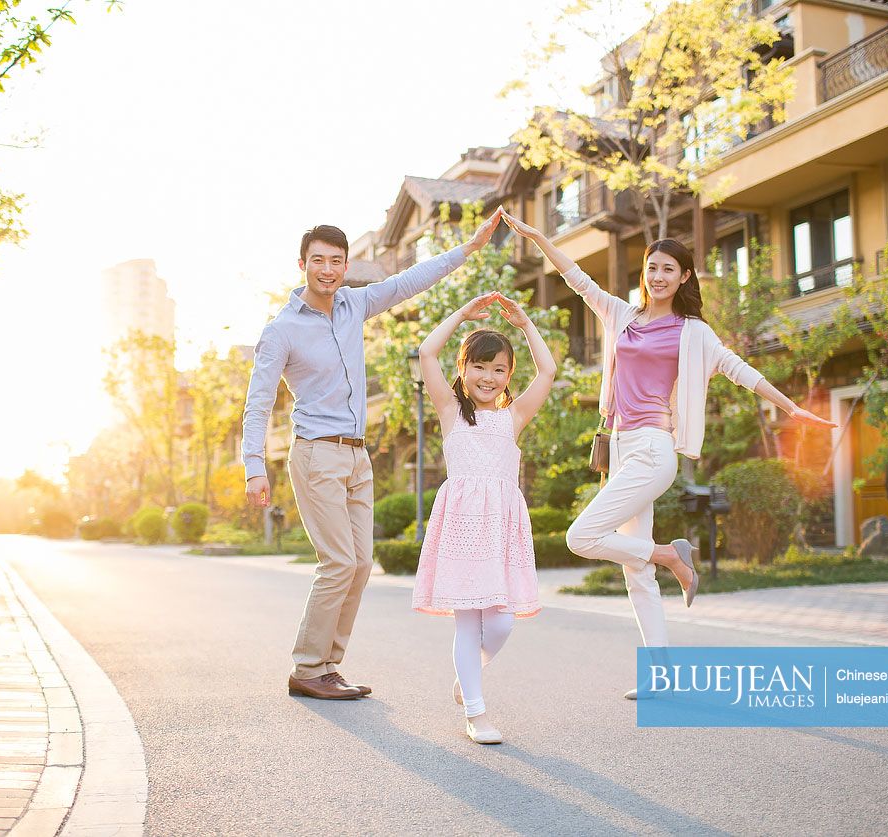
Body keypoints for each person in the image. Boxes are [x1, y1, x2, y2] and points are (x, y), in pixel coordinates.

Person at [502, 212, 834, 699]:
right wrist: (537, 237)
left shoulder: (693, 332)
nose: (658, 277)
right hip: (620, 446)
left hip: (654, 449)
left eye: (668, 270)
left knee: (581, 537)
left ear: (684, 277)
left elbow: (739, 369)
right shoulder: (621, 316)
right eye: (652, 267)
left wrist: (792, 407)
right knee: (635, 571)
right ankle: (661, 672)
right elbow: (577, 279)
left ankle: (671, 556)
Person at [243, 210, 504, 701]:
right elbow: (258, 402)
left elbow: (408, 281)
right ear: (302, 264)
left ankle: (327, 666)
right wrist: (254, 467)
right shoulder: (281, 330)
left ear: (346, 266)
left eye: (335, 261)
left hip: (357, 457)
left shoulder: (354, 305)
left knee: (361, 563)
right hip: (316, 454)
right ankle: (307, 667)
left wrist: (468, 249)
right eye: (318, 260)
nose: (327, 269)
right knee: (338, 562)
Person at [411, 290, 557, 744]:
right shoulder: (451, 411)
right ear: (463, 368)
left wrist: (525, 325)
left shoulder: (514, 416)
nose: (488, 377)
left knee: (501, 623)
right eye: (479, 366)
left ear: (509, 375)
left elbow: (549, 370)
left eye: (499, 369)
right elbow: (427, 351)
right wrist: (462, 314)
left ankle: (467, 674)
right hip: (460, 528)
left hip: (500, 532)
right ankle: (476, 712)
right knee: (467, 622)